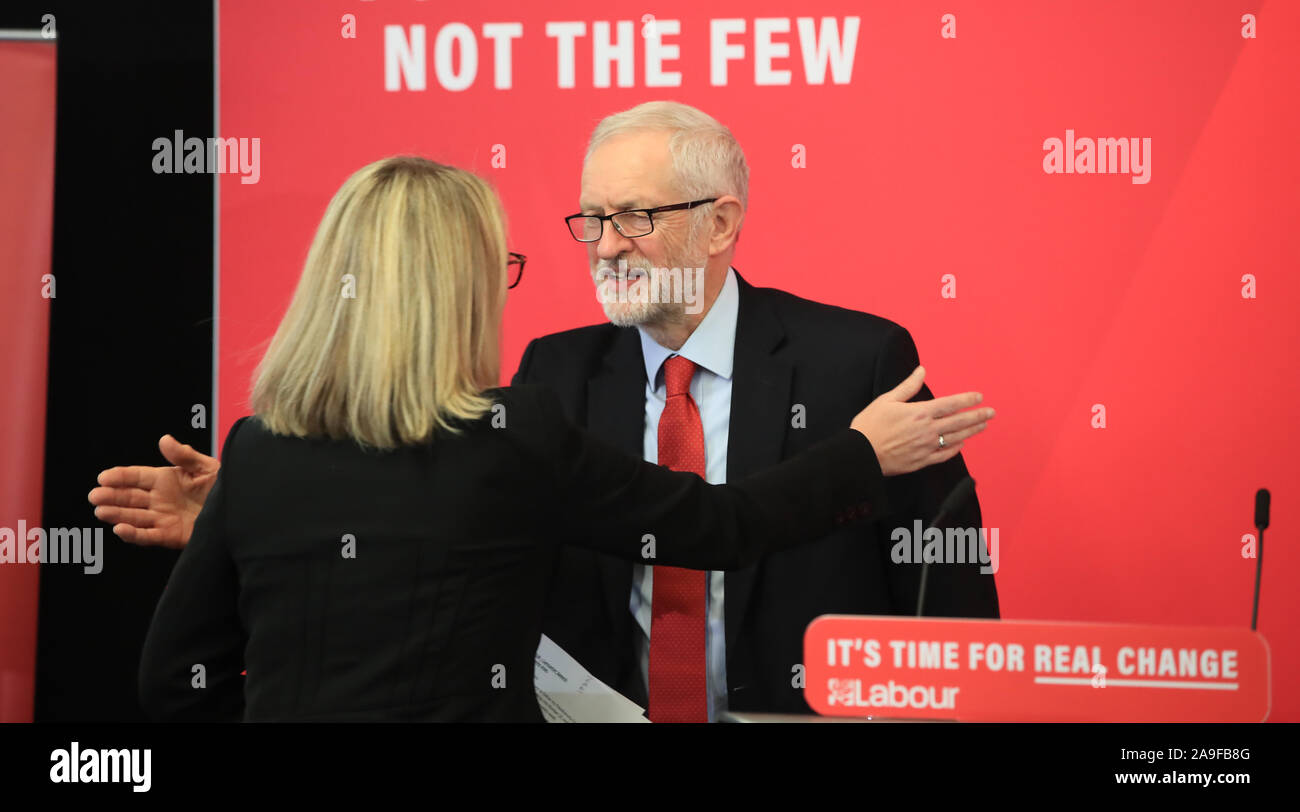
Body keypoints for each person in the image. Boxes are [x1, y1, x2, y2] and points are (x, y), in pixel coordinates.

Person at [122, 156, 988, 722]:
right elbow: (722, 527)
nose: (605, 247)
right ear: (449, 293)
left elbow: (173, 680)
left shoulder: (260, 453)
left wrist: (244, 526)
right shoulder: (515, 432)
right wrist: (860, 452)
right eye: (496, 270)